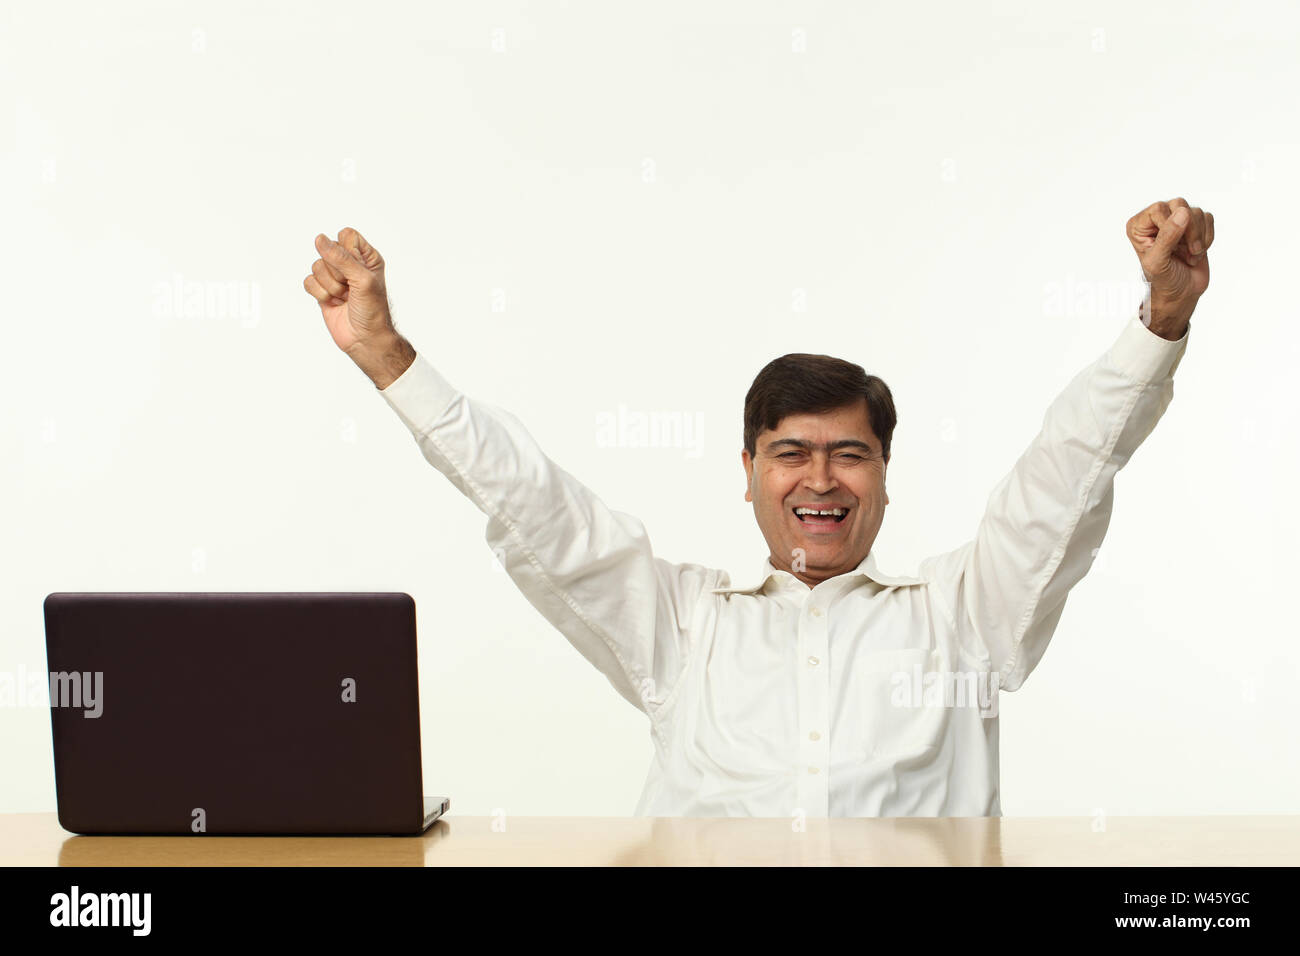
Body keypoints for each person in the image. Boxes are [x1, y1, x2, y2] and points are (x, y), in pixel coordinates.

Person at [301, 198, 1213, 817]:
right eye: (791, 454)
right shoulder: (680, 627)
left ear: (885, 473)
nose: (820, 479)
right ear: (748, 473)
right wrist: (386, 354)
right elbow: (536, 509)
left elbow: (1067, 477)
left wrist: (1160, 316)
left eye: (848, 454)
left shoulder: (964, 617)